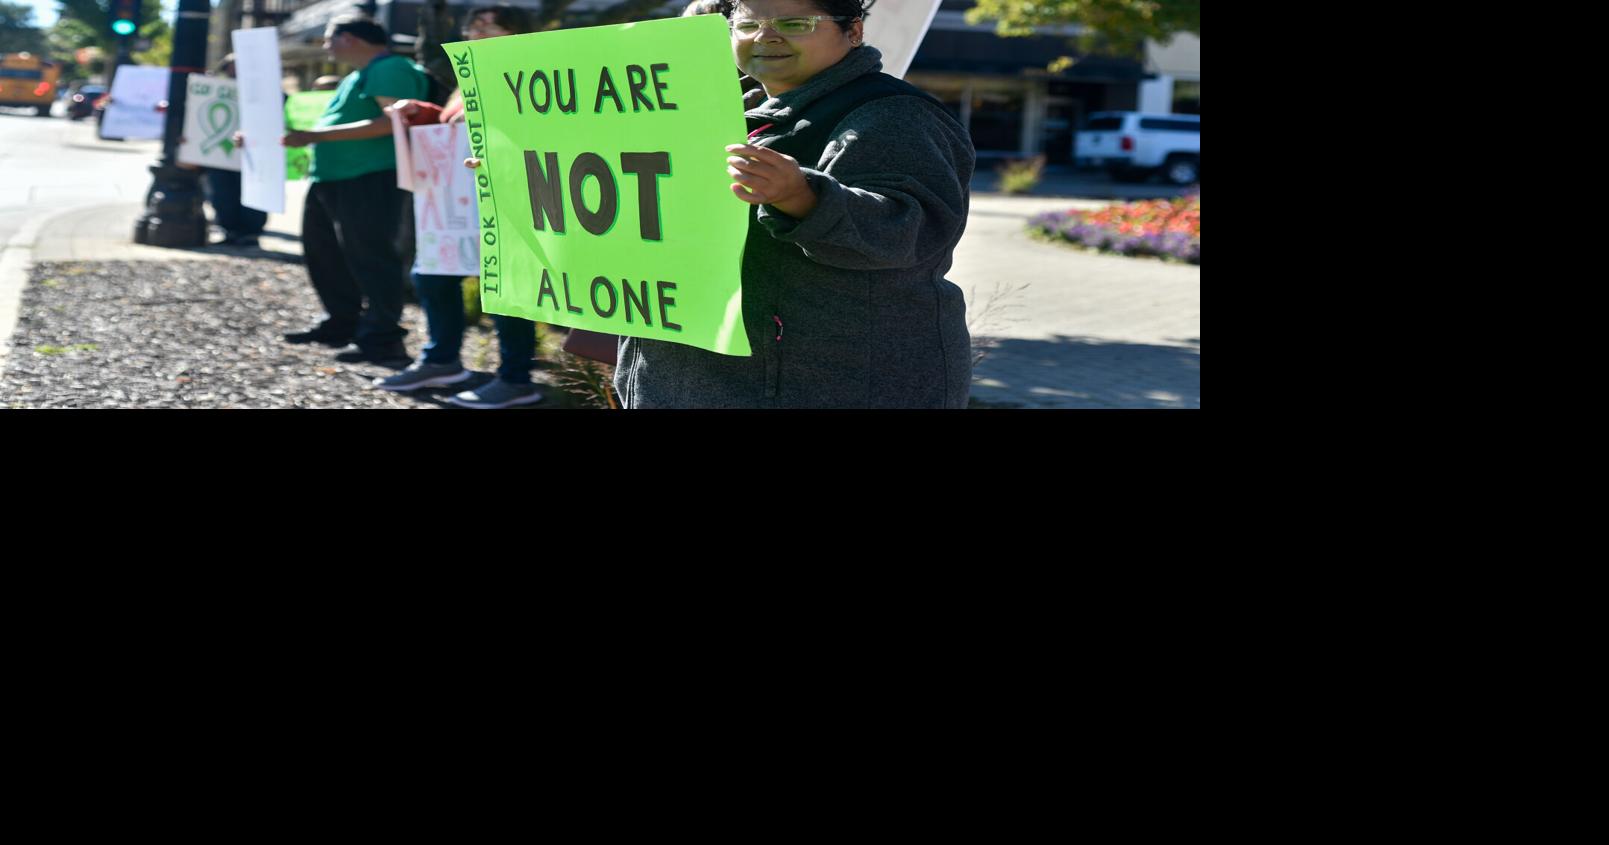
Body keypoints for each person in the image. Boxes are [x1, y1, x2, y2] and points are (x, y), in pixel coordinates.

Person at [612, 0, 975, 408]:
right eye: (748, 24)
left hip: (828, 384)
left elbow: (909, 235)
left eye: (794, 23)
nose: (766, 36)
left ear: (853, 31)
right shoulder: (712, 110)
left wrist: (802, 198)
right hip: (697, 376)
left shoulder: (893, 116)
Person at [373, 4, 545, 408]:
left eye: (494, 24)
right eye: (475, 24)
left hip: (506, 197)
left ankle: (517, 378)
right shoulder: (466, 78)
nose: (480, 30)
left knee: (505, 287)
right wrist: (424, 113)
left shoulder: (529, 70)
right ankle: (442, 359)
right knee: (432, 274)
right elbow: (456, 124)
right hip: (456, 198)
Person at [280, 16, 429, 368]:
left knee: (371, 255)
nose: (325, 46)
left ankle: (382, 337)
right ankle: (343, 322)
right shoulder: (359, 74)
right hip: (334, 177)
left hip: (369, 177)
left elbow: (391, 123)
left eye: (330, 38)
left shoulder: (390, 67)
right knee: (325, 252)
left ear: (349, 38)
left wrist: (315, 137)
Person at [200, 55, 267, 247]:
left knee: (253, 194)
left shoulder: (267, 92)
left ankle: (250, 233)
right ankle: (229, 230)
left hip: (253, 155)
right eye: (231, 67)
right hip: (221, 155)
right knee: (221, 194)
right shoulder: (213, 91)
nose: (235, 71)